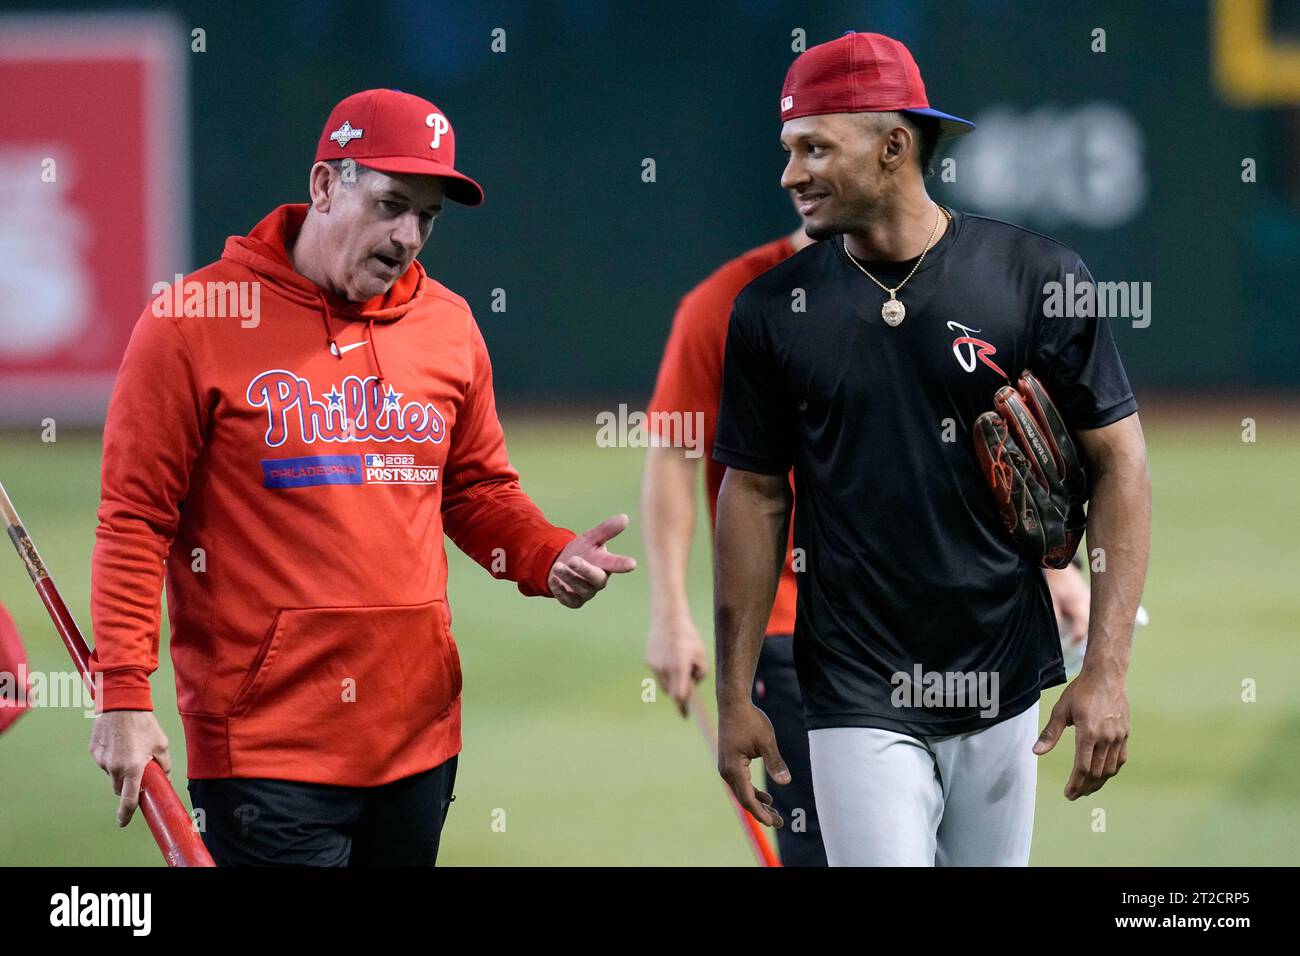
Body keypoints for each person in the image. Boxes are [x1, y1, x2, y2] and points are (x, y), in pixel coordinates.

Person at [88, 89, 634, 866]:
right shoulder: (192, 322)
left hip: (418, 743)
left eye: (428, 217)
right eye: (389, 205)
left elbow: (477, 492)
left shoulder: (447, 326)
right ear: (323, 187)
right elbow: (136, 520)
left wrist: (547, 556)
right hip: (265, 754)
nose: (408, 235)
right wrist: (122, 694)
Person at [711, 33, 1150, 866]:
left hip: (1002, 679)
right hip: (852, 685)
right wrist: (736, 694)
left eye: (813, 148)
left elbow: (1119, 463)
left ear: (894, 145)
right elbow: (755, 493)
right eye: (787, 150)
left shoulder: (1034, 277)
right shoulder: (773, 311)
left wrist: (1108, 669)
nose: (790, 173)